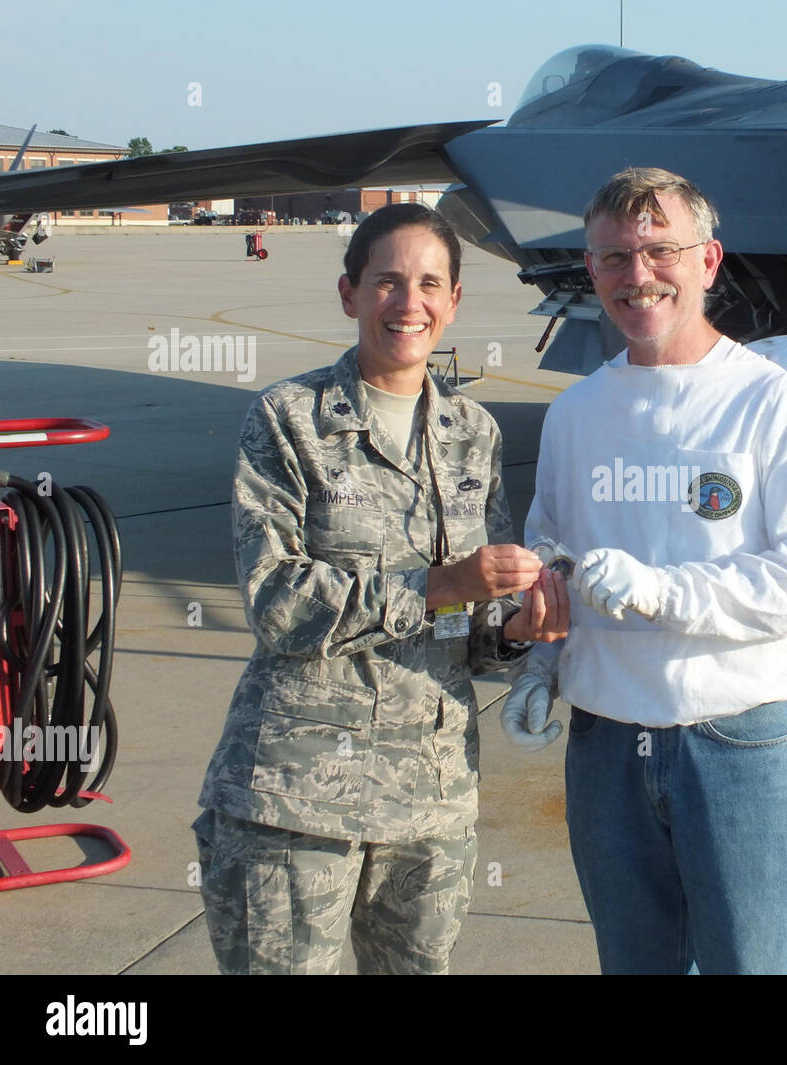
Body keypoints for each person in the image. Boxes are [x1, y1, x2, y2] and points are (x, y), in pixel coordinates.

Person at [193, 202, 568, 975]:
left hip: (429, 800)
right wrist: (439, 584)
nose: (409, 302)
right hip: (296, 800)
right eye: (387, 281)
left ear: (454, 300)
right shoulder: (290, 420)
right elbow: (278, 602)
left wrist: (516, 628)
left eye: (430, 282)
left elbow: (473, 628)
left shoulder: (474, 434)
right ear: (349, 294)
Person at [502, 168, 787, 974]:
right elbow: (552, 560)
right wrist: (541, 660)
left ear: (709, 261)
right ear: (590, 272)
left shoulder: (775, 403)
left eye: (661, 250)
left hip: (734, 740)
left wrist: (666, 591)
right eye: (615, 257)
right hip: (603, 747)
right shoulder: (574, 414)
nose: (639, 276)